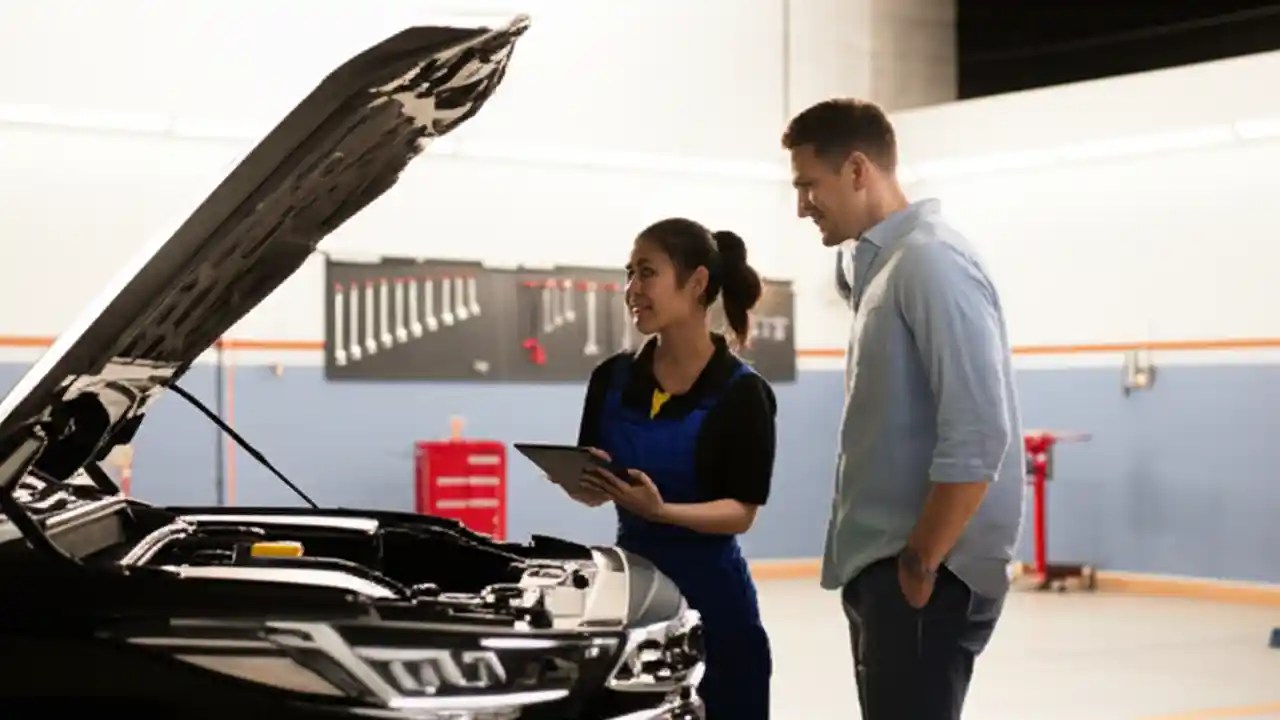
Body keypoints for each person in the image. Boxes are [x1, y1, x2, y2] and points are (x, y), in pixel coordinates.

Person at [781, 97, 1024, 719]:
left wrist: (920, 563)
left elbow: (978, 430)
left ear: (858, 170)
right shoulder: (885, 264)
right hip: (889, 570)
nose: (801, 205)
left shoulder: (930, 262)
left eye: (810, 185)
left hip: (922, 577)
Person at [559, 217, 777, 720]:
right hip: (634, 595)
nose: (632, 289)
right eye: (629, 273)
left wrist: (662, 511)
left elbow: (740, 512)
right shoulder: (610, 379)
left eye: (647, 273)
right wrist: (586, 485)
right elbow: (594, 479)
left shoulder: (743, 393)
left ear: (697, 283)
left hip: (714, 602)